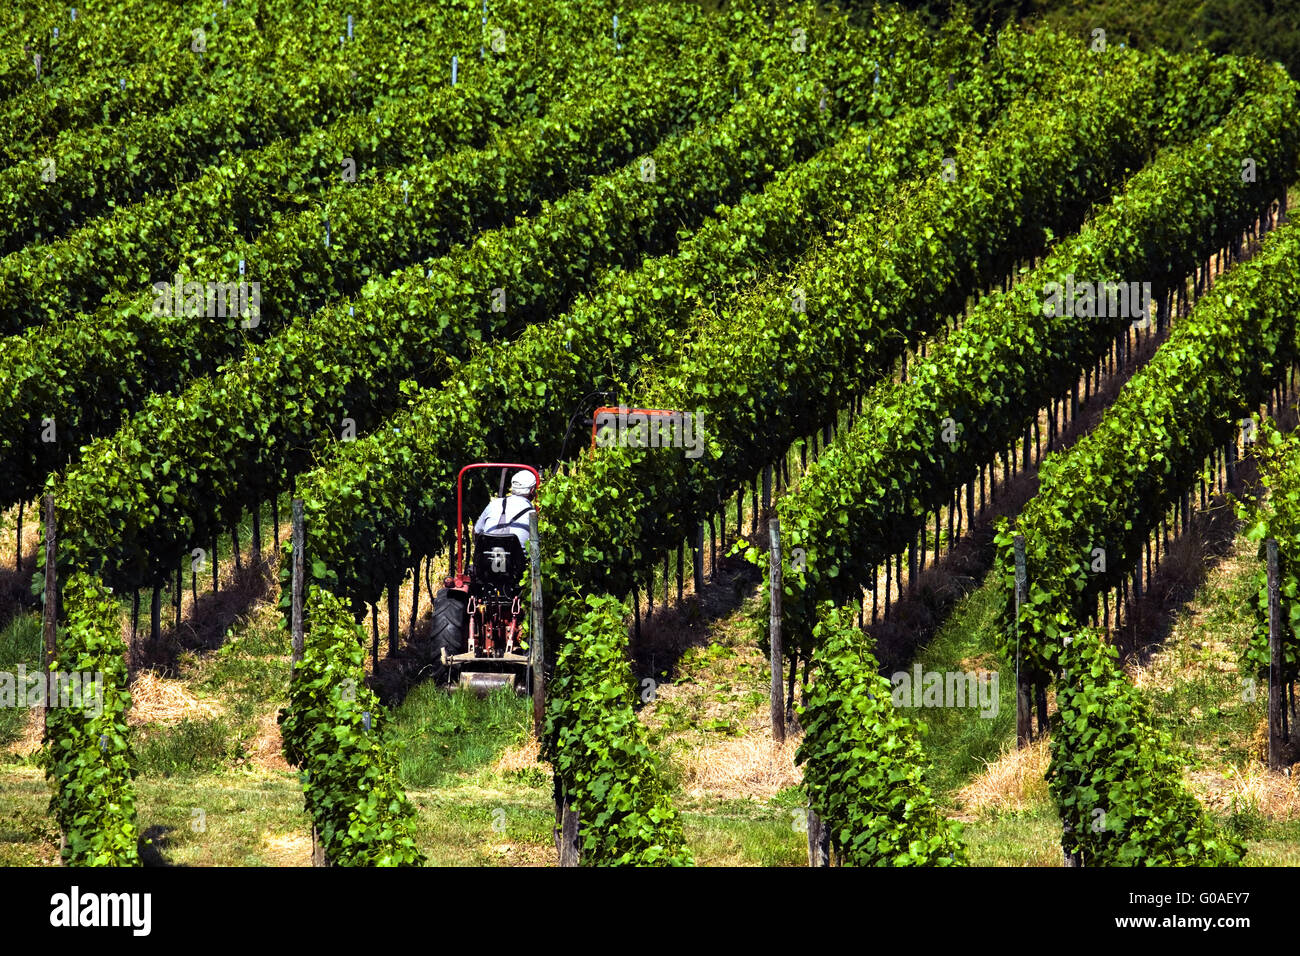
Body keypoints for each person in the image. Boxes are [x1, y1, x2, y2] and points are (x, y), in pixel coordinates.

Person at [473, 470, 536, 549]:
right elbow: (535, 547)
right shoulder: (532, 513)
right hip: (518, 561)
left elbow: (476, 532)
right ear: (532, 490)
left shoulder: (493, 504)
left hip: (487, 559)